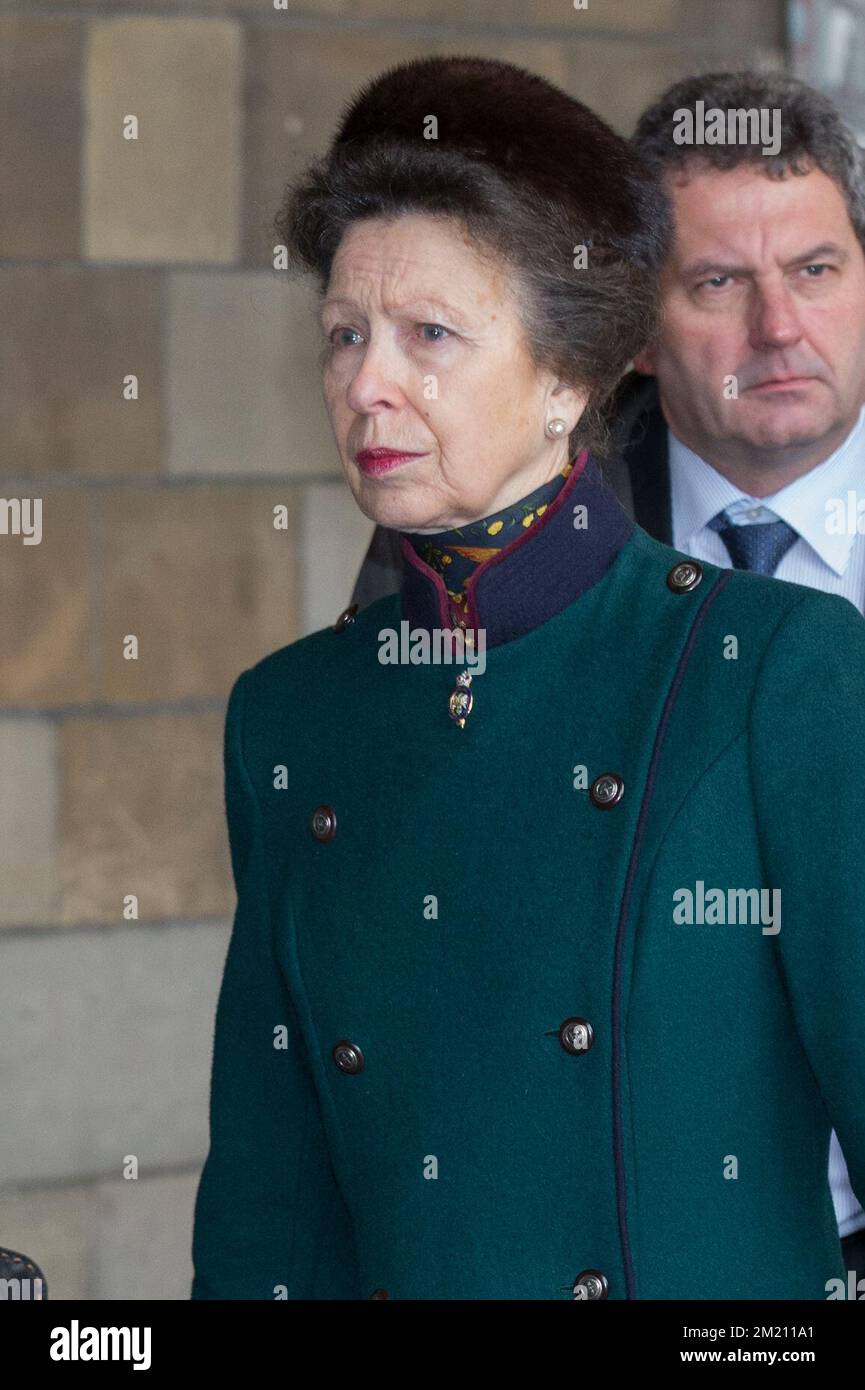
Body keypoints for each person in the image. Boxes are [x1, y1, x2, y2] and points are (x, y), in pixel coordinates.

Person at [190, 55, 865, 1300]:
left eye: (429, 335)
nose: (366, 383)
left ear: (568, 379)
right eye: (346, 333)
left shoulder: (772, 669)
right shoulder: (288, 716)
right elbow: (266, 1216)